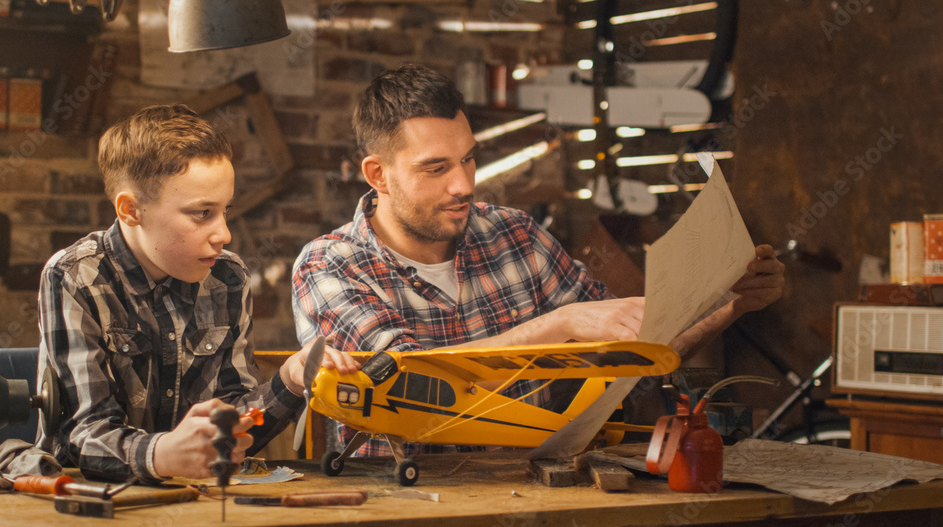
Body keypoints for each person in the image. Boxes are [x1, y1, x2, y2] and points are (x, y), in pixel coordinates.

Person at [291, 64, 784, 456]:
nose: (462, 183)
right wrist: (564, 321)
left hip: (538, 497)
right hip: (405, 510)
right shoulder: (329, 266)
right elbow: (412, 381)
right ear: (377, 174)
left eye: (468, 158)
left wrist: (732, 302)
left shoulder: (515, 235)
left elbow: (638, 354)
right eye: (436, 168)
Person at [36, 104, 359, 483]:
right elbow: (82, 435)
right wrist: (161, 454)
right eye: (202, 213)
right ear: (130, 210)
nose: (224, 234)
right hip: (91, 499)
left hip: (198, 498)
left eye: (225, 210)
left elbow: (234, 426)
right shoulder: (75, 277)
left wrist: (288, 381)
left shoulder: (227, 276)